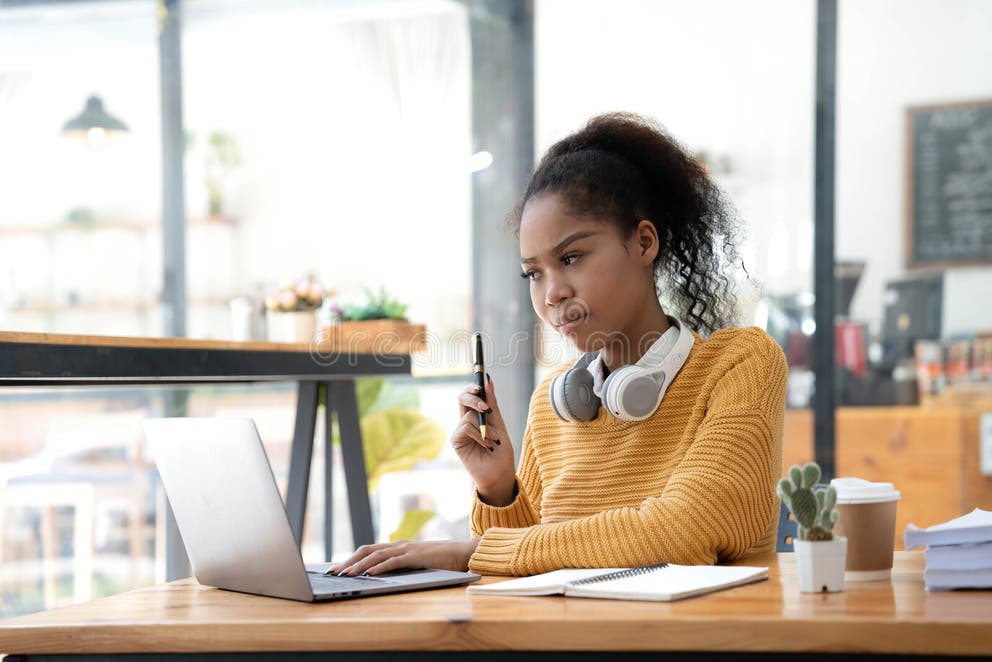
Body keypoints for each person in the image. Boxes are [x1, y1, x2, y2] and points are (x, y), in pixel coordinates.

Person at [328, 112, 787, 577]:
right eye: (533, 273)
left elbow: (686, 531)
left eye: (571, 257)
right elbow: (522, 562)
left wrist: (468, 552)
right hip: (563, 646)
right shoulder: (556, 409)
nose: (552, 294)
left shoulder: (740, 364)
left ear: (644, 242)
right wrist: (499, 488)